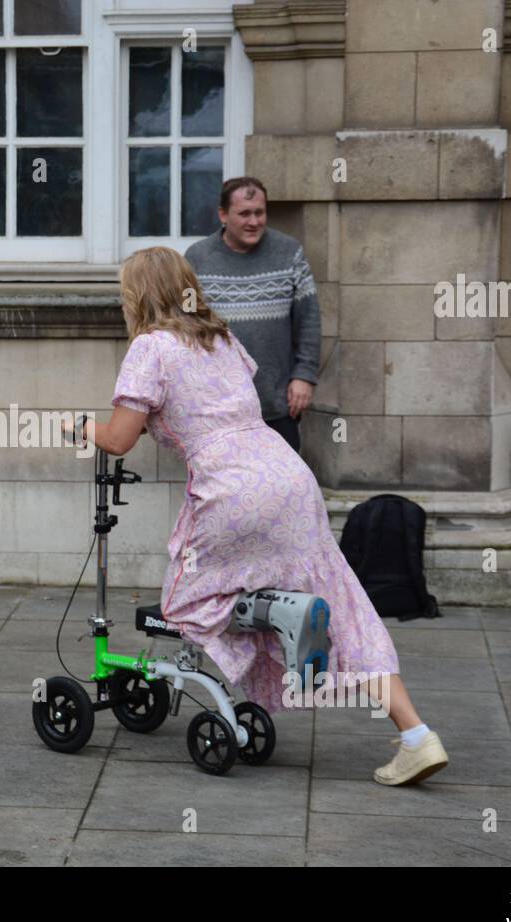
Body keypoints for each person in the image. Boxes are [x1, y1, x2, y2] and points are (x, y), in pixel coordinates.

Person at [76, 247, 448, 786]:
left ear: (137, 295)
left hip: (231, 489)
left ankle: (278, 616)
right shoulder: (221, 339)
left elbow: (119, 439)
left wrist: (78, 427)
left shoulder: (149, 348)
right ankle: (416, 735)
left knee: (185, 603)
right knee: (342, 604)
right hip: (288, 477)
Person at [185, 176, 319, 453]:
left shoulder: (289, 252)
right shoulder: (197, 259)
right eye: (244, 213)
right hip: (217, 409)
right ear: (223, 214)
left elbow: (309, 320)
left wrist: (304, 375)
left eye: (260, 212)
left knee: (282, 489)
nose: (254, 221)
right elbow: (184, 328)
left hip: (278, 404)